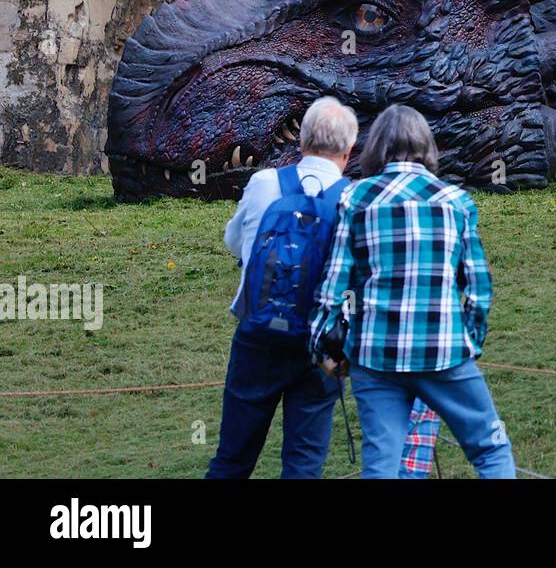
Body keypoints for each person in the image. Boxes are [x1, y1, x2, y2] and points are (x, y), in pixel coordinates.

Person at [310, 104, 516, 479]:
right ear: (427, 146)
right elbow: (479, 289)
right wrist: (471, 340)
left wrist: (322, 348)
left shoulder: (355, 199)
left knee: (381, 464)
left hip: (375, 355)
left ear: (375, 148)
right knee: (490, 451)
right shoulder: (456, 202)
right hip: (444, 351)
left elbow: (332, 287)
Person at [205, 96, 359, 479]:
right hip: (323, 344)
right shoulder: (356, 198)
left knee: (232, 460)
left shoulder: (264, 183)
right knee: (303, 466)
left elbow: (234, 243)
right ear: (349, 150)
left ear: (301, 141)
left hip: (259, 335)